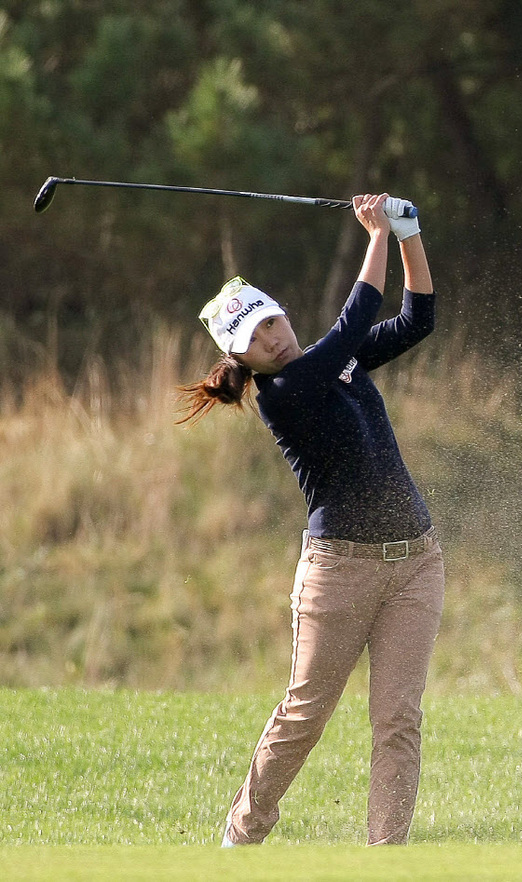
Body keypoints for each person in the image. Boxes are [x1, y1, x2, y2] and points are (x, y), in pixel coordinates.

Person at [178, 193, 445, 847]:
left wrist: (408, 233)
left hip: (415, 562)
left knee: (398, 719)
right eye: (254, 338)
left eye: (271, 321)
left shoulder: (336, 364)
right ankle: (243, 833)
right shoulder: (285, 392)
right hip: (340, 573)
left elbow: (417, 320)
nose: (272, 337)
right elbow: (355, 321)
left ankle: (388, 855)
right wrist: (375, 234)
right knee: (305, 714)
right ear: (241, 359)